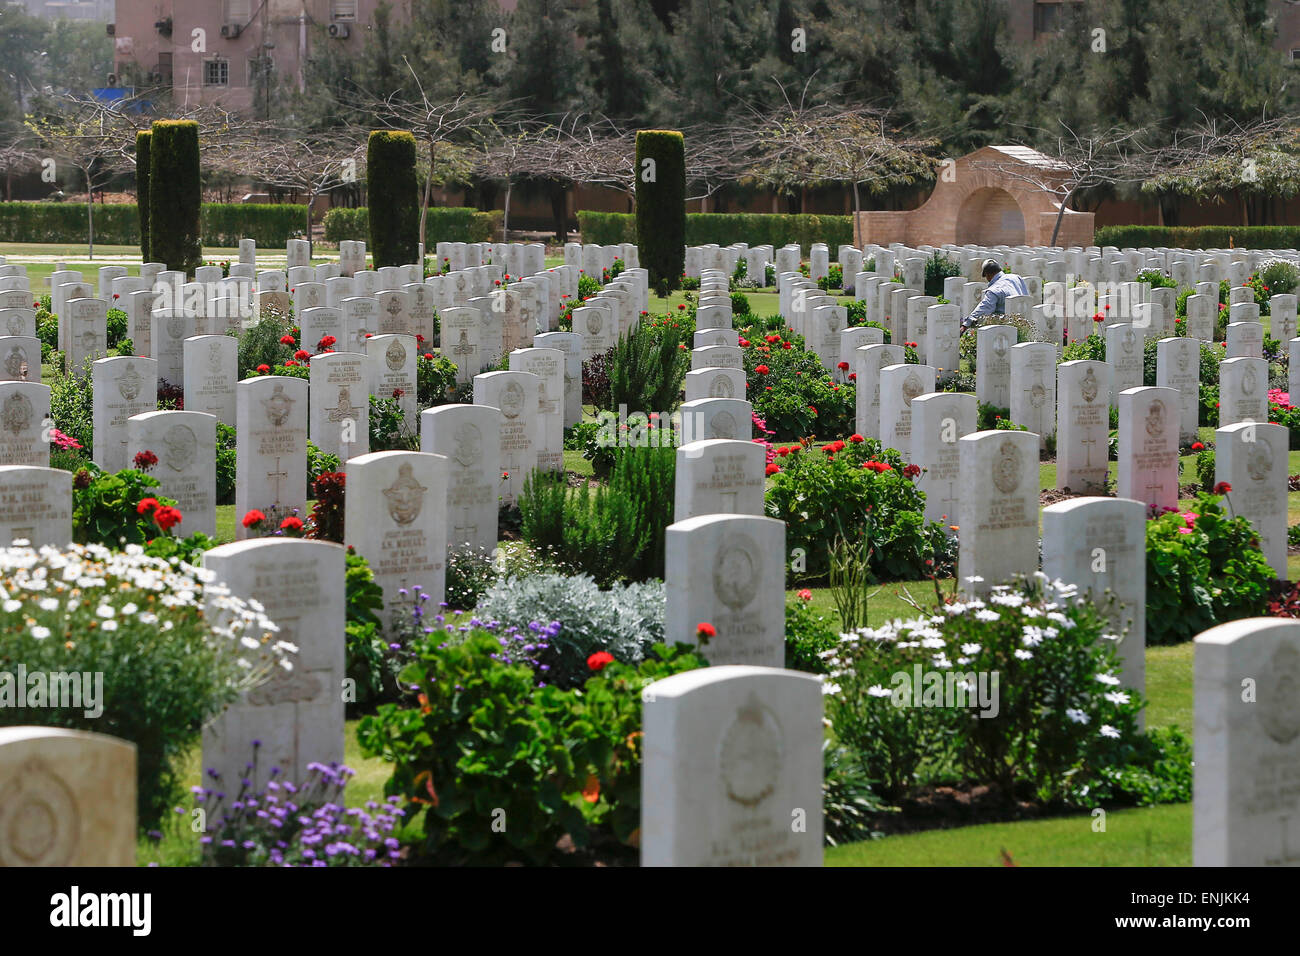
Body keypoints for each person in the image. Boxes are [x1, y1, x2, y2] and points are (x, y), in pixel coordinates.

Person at [959, 259, 1028, 334]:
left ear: (987, 274)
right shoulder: (1017, 278)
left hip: (1005, 330)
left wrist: (966, 325)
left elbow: (984, 308)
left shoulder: (994, 290)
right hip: (1025, 323)